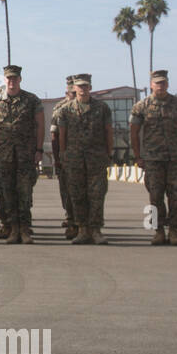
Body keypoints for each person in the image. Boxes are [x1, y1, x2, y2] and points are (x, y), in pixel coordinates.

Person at [130, 69, 177, 245]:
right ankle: (158, 230)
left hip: (175, 158)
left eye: (163, 82)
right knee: (155, 196)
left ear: (168, 84)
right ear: (151, 85)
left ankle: (174, 230)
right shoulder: (141, 106)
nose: (160, 86)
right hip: (153, 159)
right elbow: (134, 133)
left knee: (176, 195)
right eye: (157, 83)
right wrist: (137, 156)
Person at [0, 65, 44, 244]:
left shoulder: (32, 100)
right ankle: (12, 229)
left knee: (24, 193)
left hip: (25, 155)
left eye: (15, 78)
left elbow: (40, 125)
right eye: (9, 78)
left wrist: (39, 150)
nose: (11, 81)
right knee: (7, 193)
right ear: (5, 80)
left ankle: (25, 229)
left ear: (20, 80)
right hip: (4, 156)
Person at [57, 74, 114, 244]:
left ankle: (95, 230)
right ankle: (82, 230)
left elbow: (108, 131)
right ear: (74, 88)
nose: (82, 89)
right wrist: (63, 154)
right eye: (79, 86)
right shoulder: (65, 110)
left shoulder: (102, 108)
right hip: (74, 160)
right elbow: (62, 135)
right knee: (77, 195)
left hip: (96, 158)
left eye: (85, 86)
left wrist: (109, 153)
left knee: (97, 195)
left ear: (90, 87)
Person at [51, 77, 78, 239]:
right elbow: (54, 135)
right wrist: (57, 158)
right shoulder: (60, 108)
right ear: (66, 92)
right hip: (66, 157)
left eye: (76, 92)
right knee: (66, 190)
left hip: (85, 157)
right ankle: (70, 216)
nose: (74, 95)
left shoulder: (93, 106)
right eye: (71, 93)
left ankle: (82, 222)